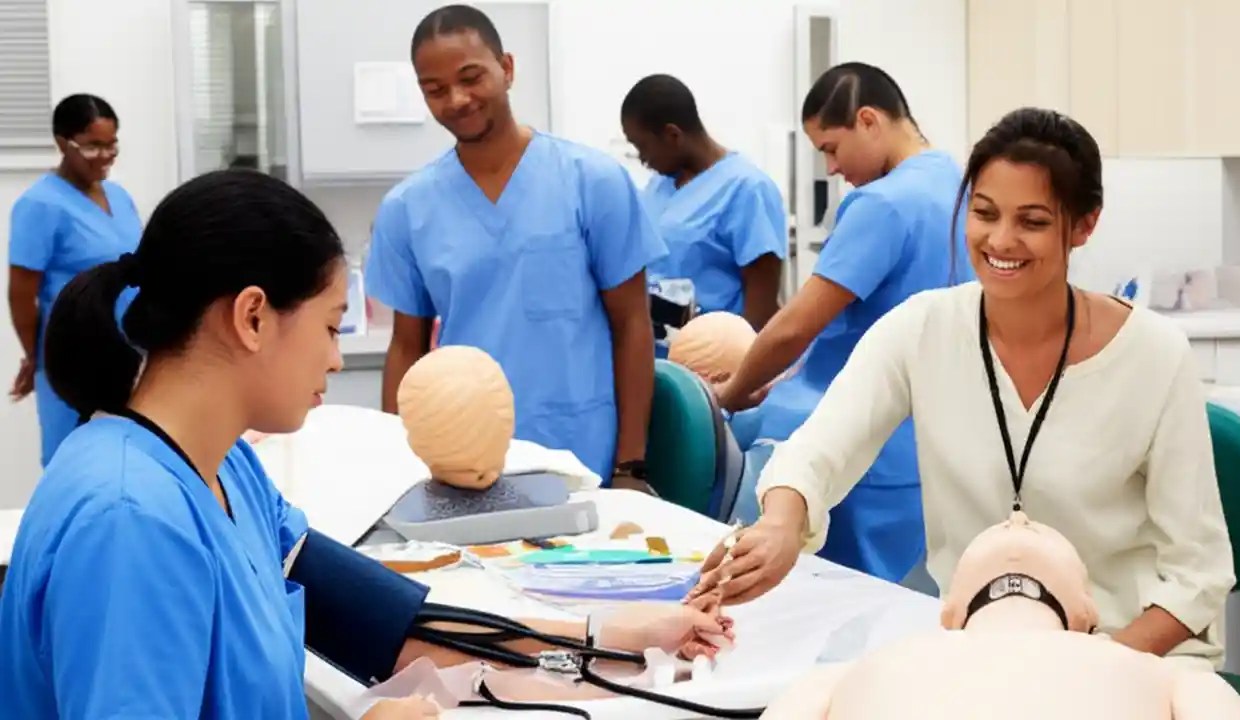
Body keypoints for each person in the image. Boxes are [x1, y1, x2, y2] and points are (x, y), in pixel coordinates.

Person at [0, 169, 727, 719]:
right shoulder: (132, 523)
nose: (337, 359)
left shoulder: (225, 471)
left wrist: (602, 634)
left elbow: (382, 626)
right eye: (329, 324)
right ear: (253, 317)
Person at [691, 107, 1236, 671]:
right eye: (984, 213)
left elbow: (1199, 572)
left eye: (1033, 221)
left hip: (1127, 654)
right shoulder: (922, 329)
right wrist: (781, 523)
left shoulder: (1153, 355)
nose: (1001, 240)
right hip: (982, 654)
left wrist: (1095, 669)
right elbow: (819, 448)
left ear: (1083, 225)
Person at [366, 4, 666, 488]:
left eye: (471, 77)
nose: (457, 99)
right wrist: (399, 468)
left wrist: (631, 464)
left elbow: (632, 324)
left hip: (583, 449)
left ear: (506, 69)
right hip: (464, 458)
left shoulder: (592, 182)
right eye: (435, 90)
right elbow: (406, 347)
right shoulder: (408, 208)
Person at [713, 62, 972, 582]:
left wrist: (729, 394)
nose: (830, 167)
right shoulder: (965, 187)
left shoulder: (883, 205)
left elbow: (794, 327)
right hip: (932, 447)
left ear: (869, 121)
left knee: (830, 609)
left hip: (861, 455)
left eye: (831, 148)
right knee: (902, 605)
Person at [7, 93, 142, 466]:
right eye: (92, 146)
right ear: (62, 143)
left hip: (128, 352)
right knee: (76, 458)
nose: (105, 156)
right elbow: (21, 294)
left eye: (111, 145)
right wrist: (36, 357)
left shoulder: (119, 196)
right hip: (71, 355)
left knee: (127, 457)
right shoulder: (40, 205)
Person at [620, 73, 787, 334]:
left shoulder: (747, 188)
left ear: (672, 135)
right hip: (662, 356)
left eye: (642, 146)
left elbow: (762, 310)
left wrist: (738, 368)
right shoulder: (657, 188)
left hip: (716, 360)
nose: (642, 159)